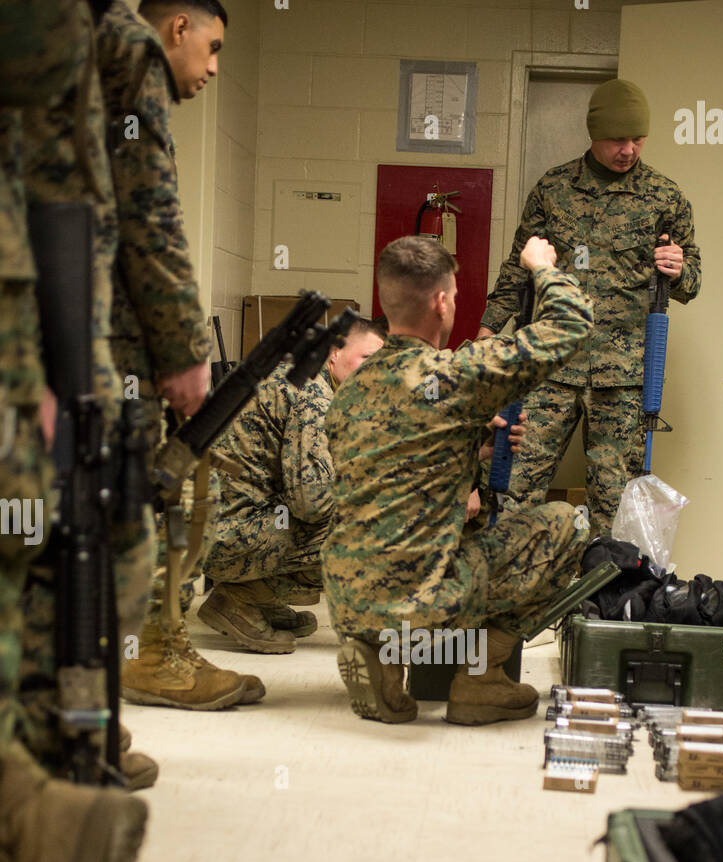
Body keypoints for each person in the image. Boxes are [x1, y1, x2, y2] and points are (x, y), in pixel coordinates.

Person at [0, 0, 163, 862]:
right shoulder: (103, 40)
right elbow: (66, 137)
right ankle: (33, 825)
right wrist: (66, 358)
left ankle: (36, 820)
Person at [322, 234, 593, 725]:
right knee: (565, 523)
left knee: (409, 541)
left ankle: (380, 654)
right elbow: (571, 327)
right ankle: (480, 677)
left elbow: (396, 473)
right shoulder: (455, 375)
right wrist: (541, 268)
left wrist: (473, 447)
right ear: (443, 302)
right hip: (422, 595)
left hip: (347, 592)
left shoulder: (350, 388)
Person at [97, 0, 262, 712]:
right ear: (178, 29)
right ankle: (120, 687)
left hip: (76, 334)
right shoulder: (130, 58)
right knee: (115, 529)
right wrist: (187, 353)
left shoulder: (72, 55)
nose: (215, 67)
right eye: (214, 46)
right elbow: (151, 221)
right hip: (110, 345)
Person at [478, 78, 701, 535]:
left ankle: (602, 602)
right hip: (550, 366)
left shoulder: (665, 197)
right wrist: (484, 334)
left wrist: (680, 270)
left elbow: (692, 279)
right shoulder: (553, 189)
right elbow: (519, 264)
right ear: (594, 134)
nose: (629, 150)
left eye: (637, 139)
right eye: (618, 139)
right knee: (514, 485)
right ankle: (513, 595)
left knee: (613, 503)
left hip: (622, 377)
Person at [200, 319, 387, 654]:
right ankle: (237, 599)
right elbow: (312, 504)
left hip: (213, 525)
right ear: (334, 354)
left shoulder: (303, 375)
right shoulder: (315, 393)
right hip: (223, 536)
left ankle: (258, 595)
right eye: (366, 359)